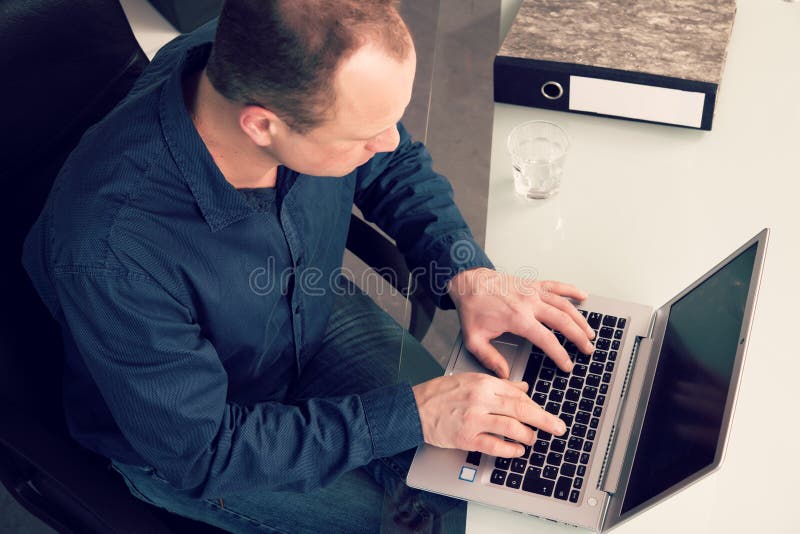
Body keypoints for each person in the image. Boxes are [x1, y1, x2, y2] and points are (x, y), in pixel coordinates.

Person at [22, 0, 595, 532]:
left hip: (308, 320)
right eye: (364, 135)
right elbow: (203, 451)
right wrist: (410, 414)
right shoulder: (111, 249)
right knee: (419, 520)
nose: (388, 140)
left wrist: (465, 270)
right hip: (205, 436)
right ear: (261, 125)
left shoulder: (279, 70)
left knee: (486, 474)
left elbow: (393, 164)